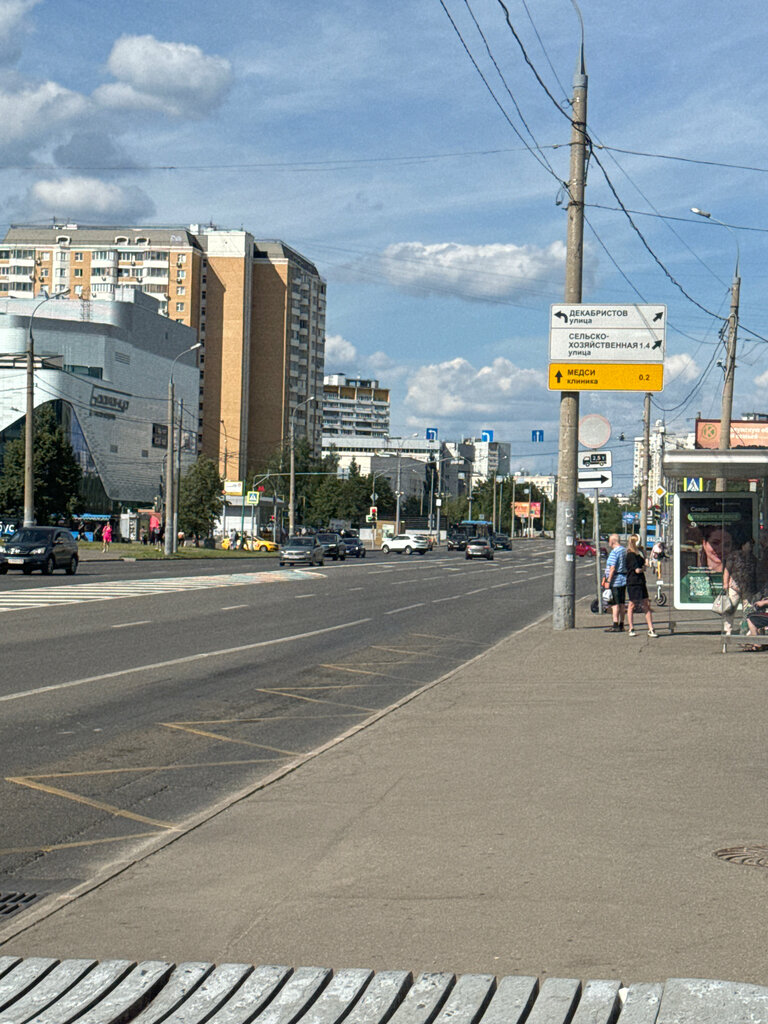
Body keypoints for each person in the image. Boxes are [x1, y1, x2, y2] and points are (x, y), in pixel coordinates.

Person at [625, 534, 658, 638]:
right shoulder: (630, 555)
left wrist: (646, 557)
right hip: (633, 582)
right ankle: (631, 627)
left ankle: (651, 628)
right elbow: (637, 570)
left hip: (641, 581)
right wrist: (643, 568)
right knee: (632, 604)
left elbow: (645, 563)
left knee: (646, 604)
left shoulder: (639, 554)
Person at [603, 533, 627, 633]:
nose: (608, 542)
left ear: (612, 541)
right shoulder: (624, 550)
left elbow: (612, 568)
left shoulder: (614, 552)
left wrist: (608, 580)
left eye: (609, 540)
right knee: (622, 603)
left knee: (615, 604)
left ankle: (615, 624)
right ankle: (622, 624)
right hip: (623, 579)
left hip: (615, 580)